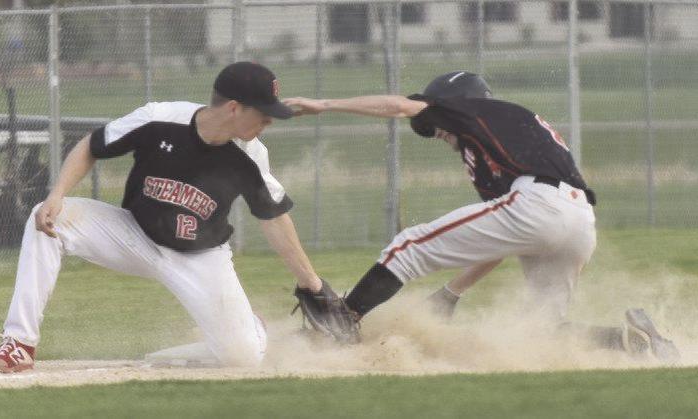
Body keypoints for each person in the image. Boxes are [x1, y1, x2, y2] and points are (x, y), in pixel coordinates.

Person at [284, 71, 679, 361]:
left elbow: (400, 107)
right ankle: (631, 342)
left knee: (408, 246)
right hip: (578, 221)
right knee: (541, 330)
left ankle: (343, 320)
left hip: (541, 203)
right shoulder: (499, 141)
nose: (438, 131)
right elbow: (500, 239)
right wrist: (452, 292)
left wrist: (325, 105)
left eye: (439, 122)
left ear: (457, 101)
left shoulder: (476, 109)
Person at [0, 62, 328, 374]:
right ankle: (18, 343)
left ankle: (251, 330)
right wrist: (56, 195)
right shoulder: (160, 119)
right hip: (134, 236)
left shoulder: (250, 155)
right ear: (234, 108)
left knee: (244, 357)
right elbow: (91, 145)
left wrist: (312, 283)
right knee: (48, 220)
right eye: (263, 114)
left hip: (199, 258)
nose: (268, 122)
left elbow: (274, 217)